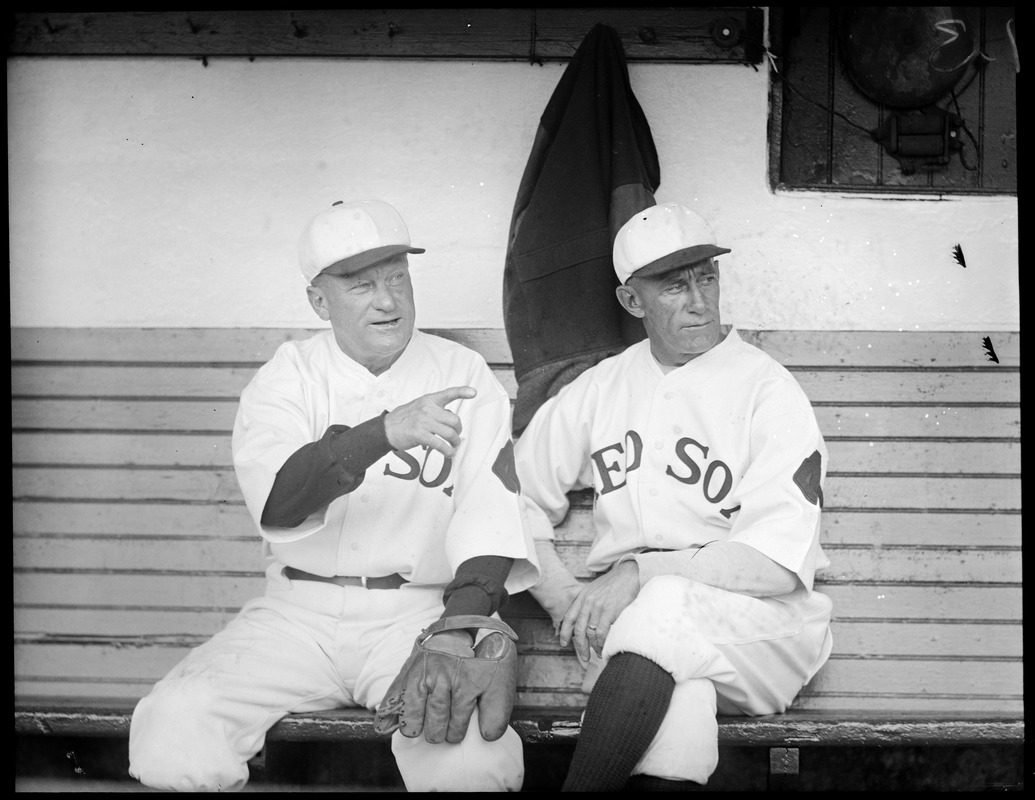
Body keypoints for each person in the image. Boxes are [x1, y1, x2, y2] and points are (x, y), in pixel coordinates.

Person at [128, 198, 539, 792]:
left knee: (471, 762)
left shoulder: (464, 373)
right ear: (319, 301)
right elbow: (280, 501)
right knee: (172, 729)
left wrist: (457, 624)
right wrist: (383, 433)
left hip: (416, 615)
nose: (388, 299)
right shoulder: (289, 375)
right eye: (361, 283)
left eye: (397, 276)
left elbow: (490, 514)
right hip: (296, 617)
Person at [514, 202, 834, 791]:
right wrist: (566, 603)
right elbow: (509, 493)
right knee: (678, 711)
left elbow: (776, 564)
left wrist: (639, 572)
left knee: (661, 608)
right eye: (673, 285)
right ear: (632, 301)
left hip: (764, 630)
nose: (699, 301)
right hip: (648, 644)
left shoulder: (768, 391)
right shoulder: (602, 388)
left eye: (707, 277)